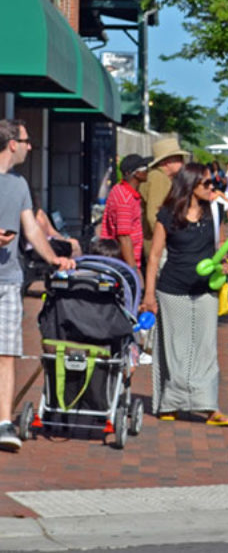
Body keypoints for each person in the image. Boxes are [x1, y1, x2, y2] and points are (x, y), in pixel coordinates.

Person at [140, 162, 228, 427]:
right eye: (206, 183)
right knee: (176, 349)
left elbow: (220, 247)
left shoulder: (214, 211)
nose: (212, 187)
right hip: (173, 289)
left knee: (206, 349)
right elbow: (155, 256)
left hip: (206, 290)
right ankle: (171, 402)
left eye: (213, 183)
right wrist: (149, 296)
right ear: (190, 184)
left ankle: (208, 406)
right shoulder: (168, 215)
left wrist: (224, 264)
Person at [0, 119, 74, 452]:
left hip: (9, 280)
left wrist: (54, 258)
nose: (31, 146)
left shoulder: (19, 185)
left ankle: (3, 422)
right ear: (12, 143)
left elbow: (31, 231)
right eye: (27, 141)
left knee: (7, 353)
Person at [140, 137, 189, 262]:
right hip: (159, 244)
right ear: (166, 162)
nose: (182, 163)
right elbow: (153, 215)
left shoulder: (164, 178)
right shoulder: (158, 178)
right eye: (178, 159)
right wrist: (165, 240)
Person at [100, 153, 150, 271]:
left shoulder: (121, 190)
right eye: (145, 169)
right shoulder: (124, 199)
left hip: (126, 261)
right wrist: (133, 270)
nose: (148, 172)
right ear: (135, 173)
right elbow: (124, 237)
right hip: (123, 264)